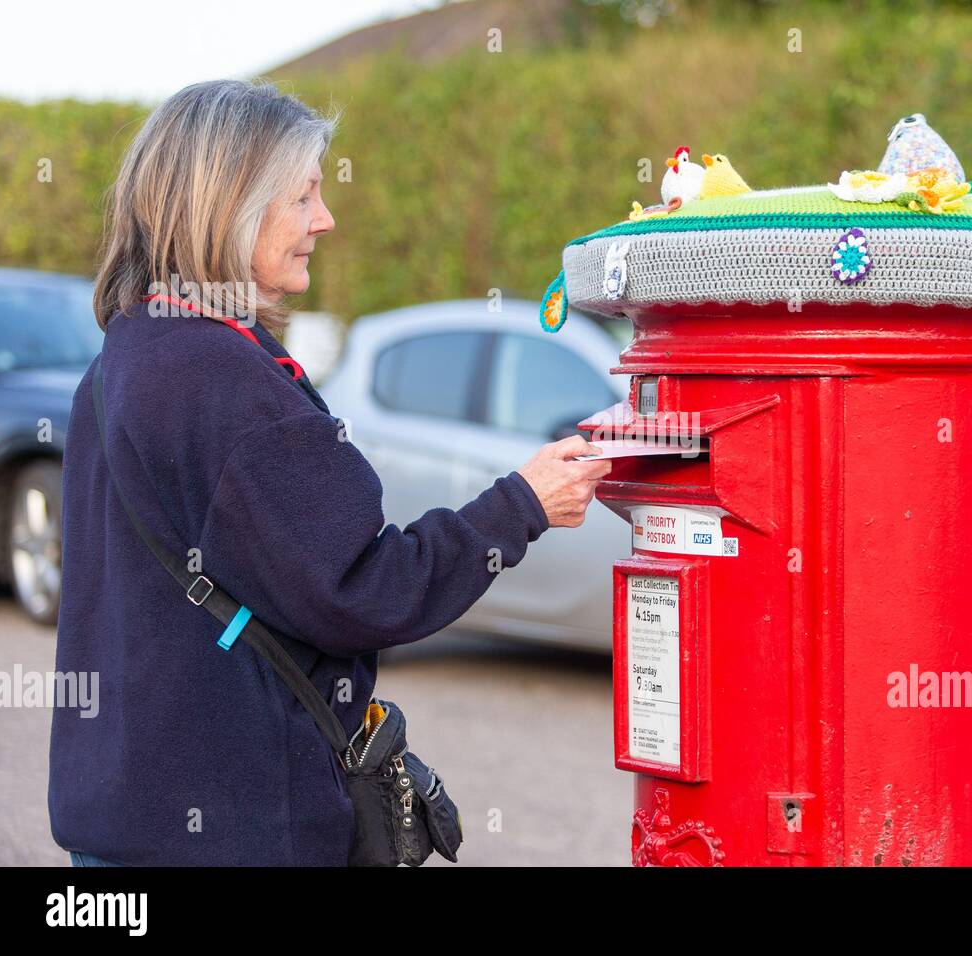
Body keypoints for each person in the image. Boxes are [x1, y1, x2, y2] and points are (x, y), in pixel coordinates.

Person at [47, 79, 610, 866]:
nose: (325, 218)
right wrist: (523, 504)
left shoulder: (126, 357)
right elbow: (366, 590)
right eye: (303, 195)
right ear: (232, 201)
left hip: (121, 820)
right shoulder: (227, 383)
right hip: (230, 834)